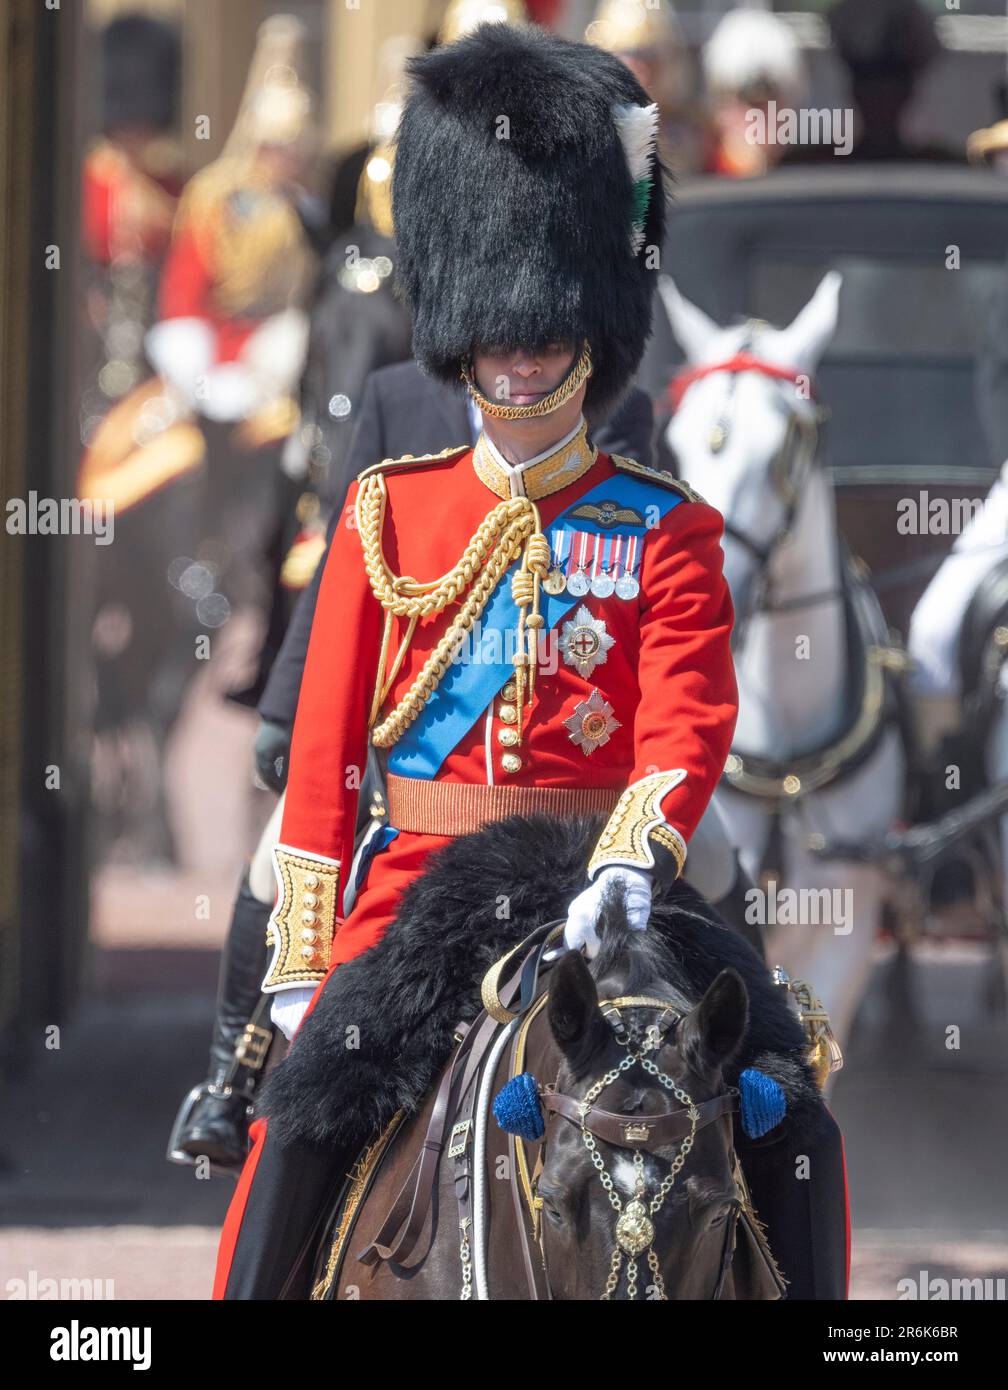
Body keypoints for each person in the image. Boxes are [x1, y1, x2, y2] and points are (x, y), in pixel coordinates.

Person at [211, 22, 835, 1300]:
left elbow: (685, 726)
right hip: (422, 889)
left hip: (607, 880)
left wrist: (627, 863)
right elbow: (326, 763)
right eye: (500, 334)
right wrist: (294, 972)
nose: (522, 353)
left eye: (546, 333)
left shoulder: (665, 527)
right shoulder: (390, 509)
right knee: (299, 1129)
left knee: (791, 1119)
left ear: (588, 331)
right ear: (463, 330)